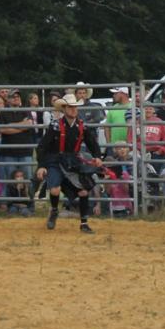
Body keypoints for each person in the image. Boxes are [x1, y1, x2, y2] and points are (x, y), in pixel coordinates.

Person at [35, 93, 103, 233]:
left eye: (75, 107)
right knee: (54, 189)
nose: (73, 110)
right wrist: (41, 165)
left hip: (73, 162)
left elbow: (92, 143)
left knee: (83, 191)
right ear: (64, 109)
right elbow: (42, 146)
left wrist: (97, 156)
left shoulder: (81, 126)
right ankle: (54, 210)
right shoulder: (55, 126)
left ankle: (84, 223)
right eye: (70, 107)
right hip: (55, 161)